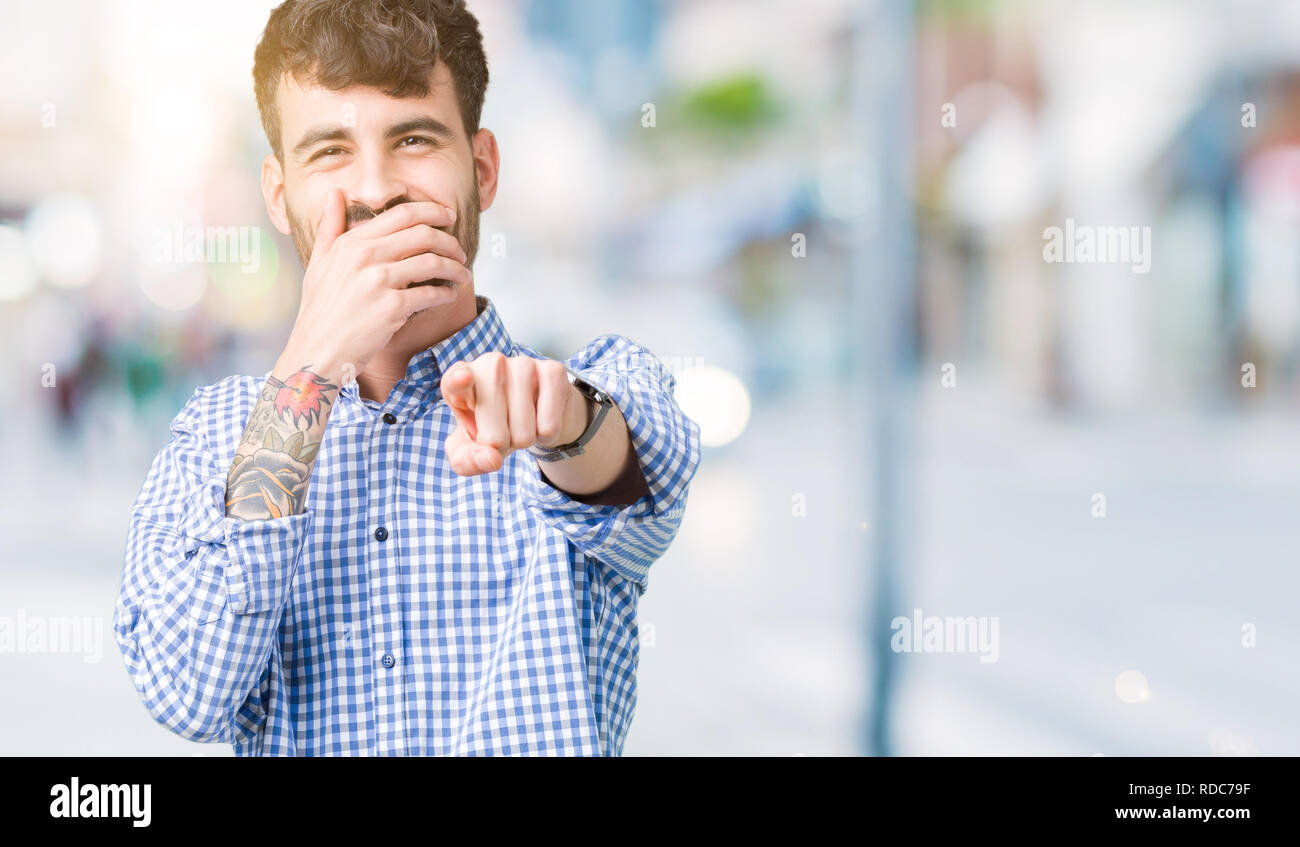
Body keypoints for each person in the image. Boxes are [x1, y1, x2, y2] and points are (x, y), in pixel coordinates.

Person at [114, 0, 700, 756]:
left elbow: (632, 464)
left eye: (413, 138)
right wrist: (311, 367)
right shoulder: (216, 436)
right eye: (329, 151)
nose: (376, 189)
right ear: (277, 192)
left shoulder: (575, 392)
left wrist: (562, 424)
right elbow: (184, 689)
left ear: (481, 169)